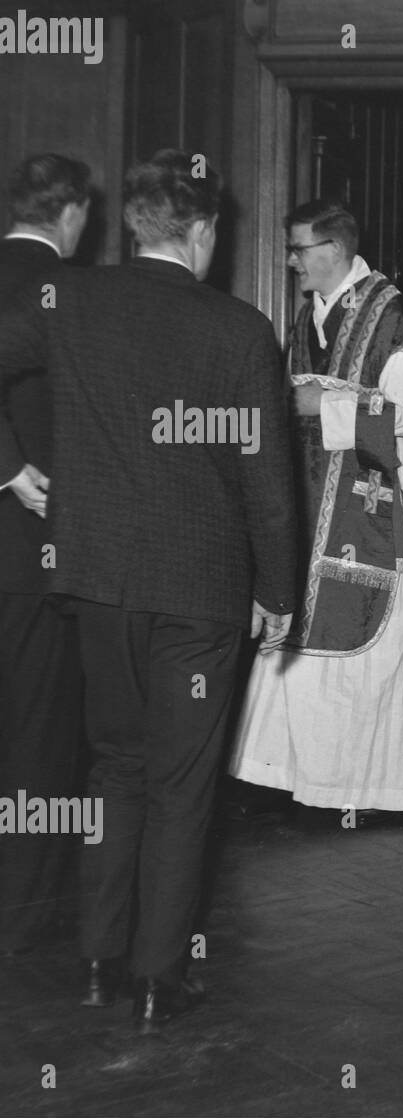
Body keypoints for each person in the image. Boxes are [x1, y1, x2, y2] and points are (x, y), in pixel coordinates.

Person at [0, 149, 299, 1032]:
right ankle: (159, 976)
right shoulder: (241, 331)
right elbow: (269, 488)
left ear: (131, 225)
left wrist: (9, 465)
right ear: (203, 232)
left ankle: (96, 959)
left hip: (92, 583)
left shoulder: (69, 303)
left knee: (114, 768)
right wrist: (279, 593)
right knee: (180, 783)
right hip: (202, 594)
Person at [228, 200, 403, 820]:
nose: (292, 261)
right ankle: (302, 779)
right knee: (302, 643)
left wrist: (323, 411)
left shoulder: (388, 314)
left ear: (333, 249)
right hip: (311, 511)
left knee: (367, 646)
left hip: (370, 508)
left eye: (299, 249)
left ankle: (369, 786)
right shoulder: (311, 318)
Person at [0, 153, 90, 956]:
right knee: (35, 734)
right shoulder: (67, 292)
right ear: (73, 214)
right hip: (36, 555)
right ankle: (20, 915)